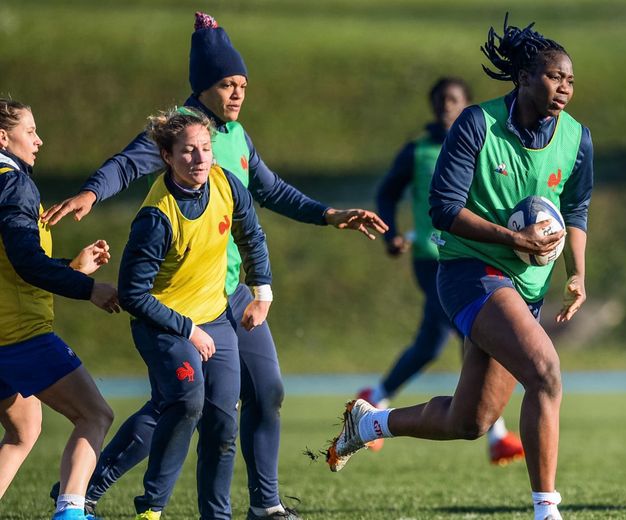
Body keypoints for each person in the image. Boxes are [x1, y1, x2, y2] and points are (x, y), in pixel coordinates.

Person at [43, 12, 386, 520]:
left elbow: (269, 192)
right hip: (181, 300)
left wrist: (329, 215)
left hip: (230, 294)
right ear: (204, 86)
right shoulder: (180, 133)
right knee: (180, 402)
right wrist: (93, 192)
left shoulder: (237, 136)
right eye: (228, 83)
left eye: (243, 84)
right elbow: (124, 164)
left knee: (265, 392)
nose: (238, 93)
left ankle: (264, 506)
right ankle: (87, 487)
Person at [326, 15, 593, 520]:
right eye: (554, 76)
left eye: (571, 79)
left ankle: (368, 425)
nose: (564, 87)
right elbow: (443, 209)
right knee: (545, 372)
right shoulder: (477, 123)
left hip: (527, 287)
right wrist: (516, 238)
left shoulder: (578, 139)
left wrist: (576, 272)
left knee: (469, 421)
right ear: (525, 78)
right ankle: (547, 509)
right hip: (471, 273)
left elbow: (575, 209)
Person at [359, 77, 525, 465]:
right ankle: (493, 433)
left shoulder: (482, 145)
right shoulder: (418, 151)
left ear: (467, 105)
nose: (445, 107)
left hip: (473, 257)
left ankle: (375, 399)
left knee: (444, 340)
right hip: (432, 260)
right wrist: (392, 234)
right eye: (439, 101)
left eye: (453, 100)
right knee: (469, 336)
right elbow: (387, 192)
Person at [119, 108, 271, 519]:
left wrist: (263, 292)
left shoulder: (224, 183)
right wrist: (188, 328)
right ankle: (150, 507)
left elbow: (252, 233)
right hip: (164, 322)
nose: (201, 158)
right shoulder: (156, 216)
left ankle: (215, 517)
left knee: (223, 426)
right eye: (188, 151)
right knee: (186, 402)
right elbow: (132, 293)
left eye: (206, 149)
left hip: (215, 319)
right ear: (167, 156)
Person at [0, 98, 119, 519]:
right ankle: (70, 512)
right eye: (30, 131)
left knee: (23, 429)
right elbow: (26, 263)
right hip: (20, 336)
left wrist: (71, 267)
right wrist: (88, 288)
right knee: (95, 414)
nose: (39, 140)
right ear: (3, 137)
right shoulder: (13, 185)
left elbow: (11, 259)